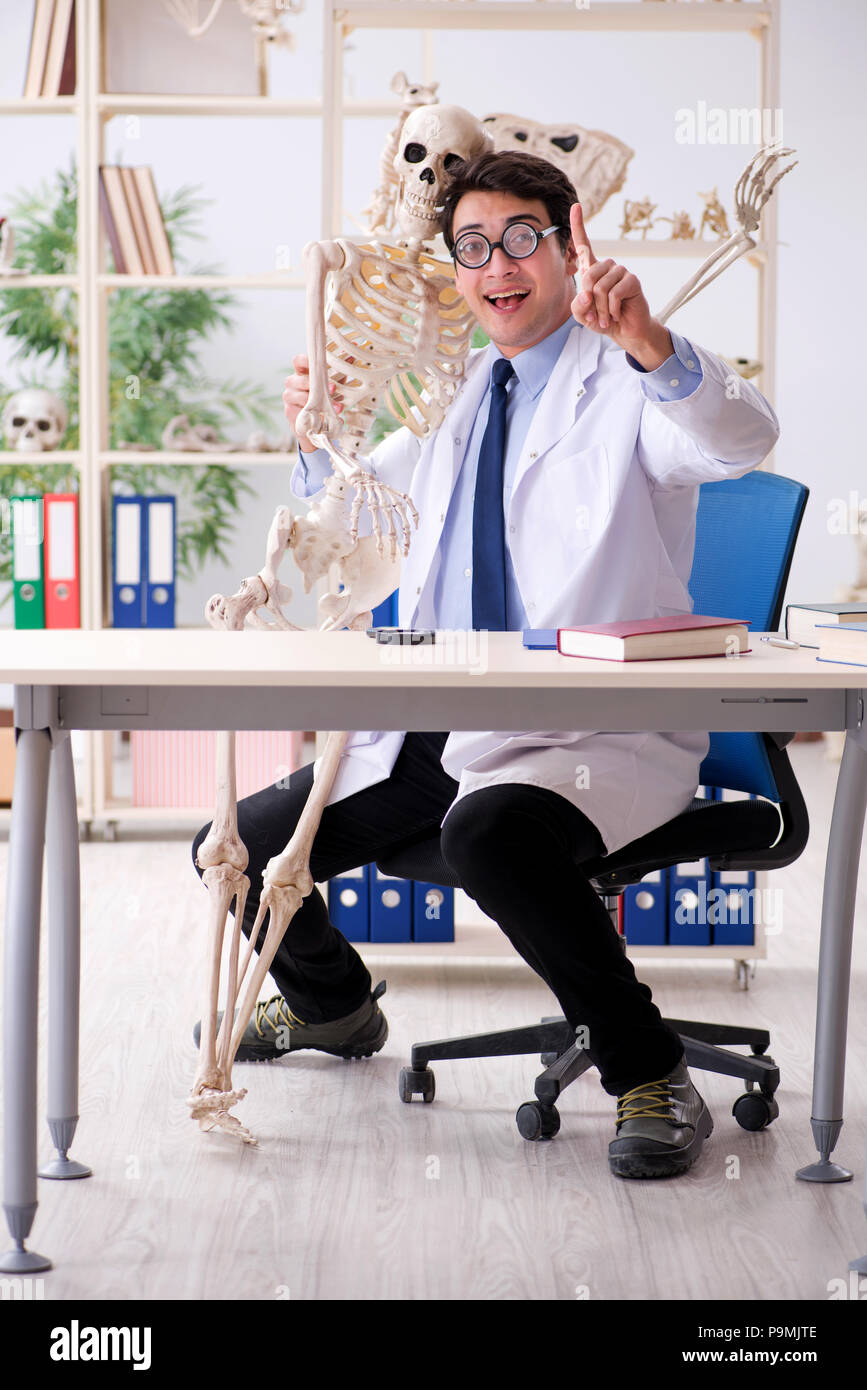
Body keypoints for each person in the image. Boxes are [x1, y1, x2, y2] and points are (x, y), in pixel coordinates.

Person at [192, 150, 779, 1179]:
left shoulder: (625, 383)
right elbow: (362, 510)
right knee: (232, 847)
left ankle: (648, 1073)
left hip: (581, 731)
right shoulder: (464, 392)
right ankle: (334, 1008)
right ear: (455, 269)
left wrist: (647, 340)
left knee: (491, 829)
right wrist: (315, 438)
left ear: (567, 243)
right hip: (434, 719)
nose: (496, 263)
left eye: (521, 237)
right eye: (472, 246)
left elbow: (741, 439)